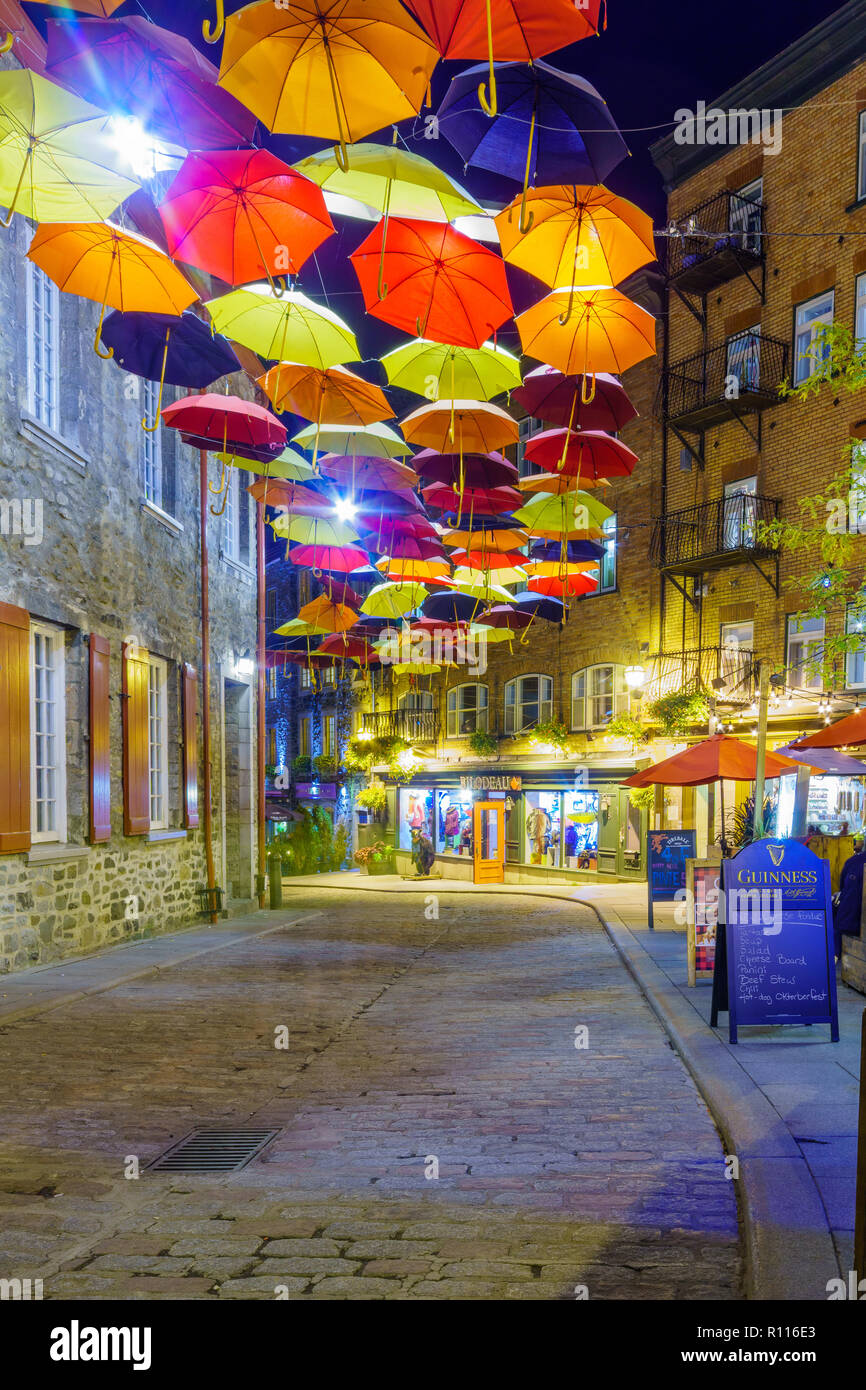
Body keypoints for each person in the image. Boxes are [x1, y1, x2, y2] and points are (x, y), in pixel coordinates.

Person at [833, 842, 866, 958]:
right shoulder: (853, 862)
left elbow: (842, 887)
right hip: (849, 923)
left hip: (847, 923)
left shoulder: (853, 861)